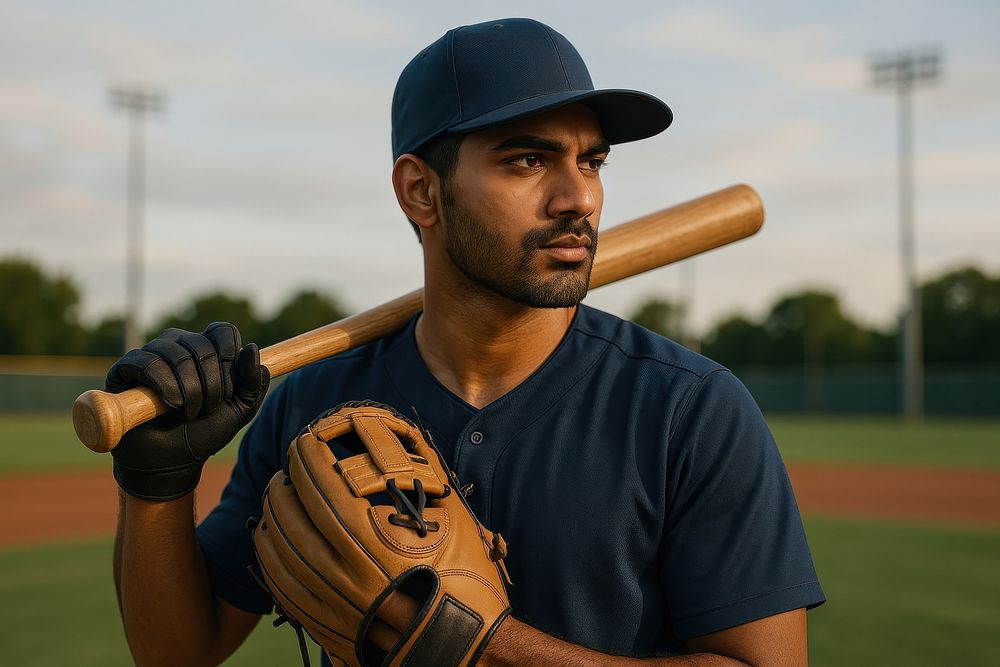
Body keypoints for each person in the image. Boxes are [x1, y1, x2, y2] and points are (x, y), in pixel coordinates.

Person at [109, 18, 825, 666]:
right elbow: (178, 652)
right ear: (420, 191)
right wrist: (156, 487)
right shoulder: (313, 404)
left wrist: (480, 647)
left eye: (592, 161)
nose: (579, 197)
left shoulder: (690, 410)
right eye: (528, 161)